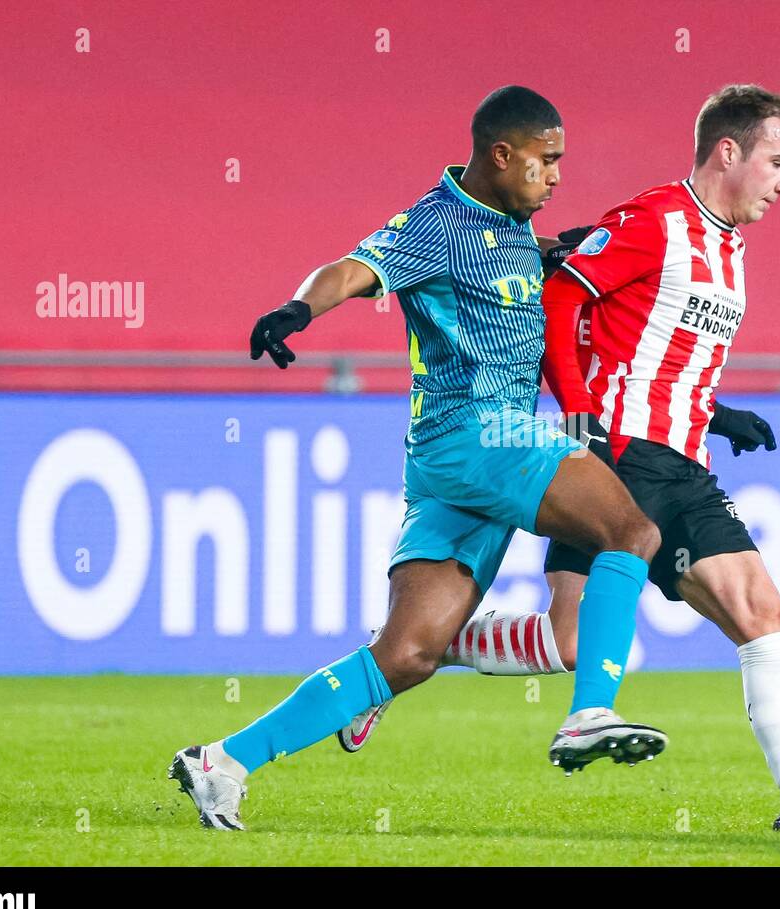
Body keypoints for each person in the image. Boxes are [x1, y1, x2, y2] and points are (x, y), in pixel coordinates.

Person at [343, 84, 780, 835]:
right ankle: (416, 655)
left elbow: (654, 350)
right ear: (727, 152)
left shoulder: (729, 249)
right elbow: (563, 298)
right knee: (609, 636)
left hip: (683, 460)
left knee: (754, 621)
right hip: (621, 456)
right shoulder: (655, 221)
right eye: (778, 162)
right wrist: (577, 407)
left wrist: (714, 410)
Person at [167, 86, 667, 831]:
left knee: (405, 656)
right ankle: (589, 712)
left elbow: (511, 266)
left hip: (447, 463)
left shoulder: (513, 228)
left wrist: (553, 250)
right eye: (546, 160)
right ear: (502, 155)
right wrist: (298, 309)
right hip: (483, 435)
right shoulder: (436, 223)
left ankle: (221, 764)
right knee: (632, 532)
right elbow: (351, 268)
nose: (557, 175)